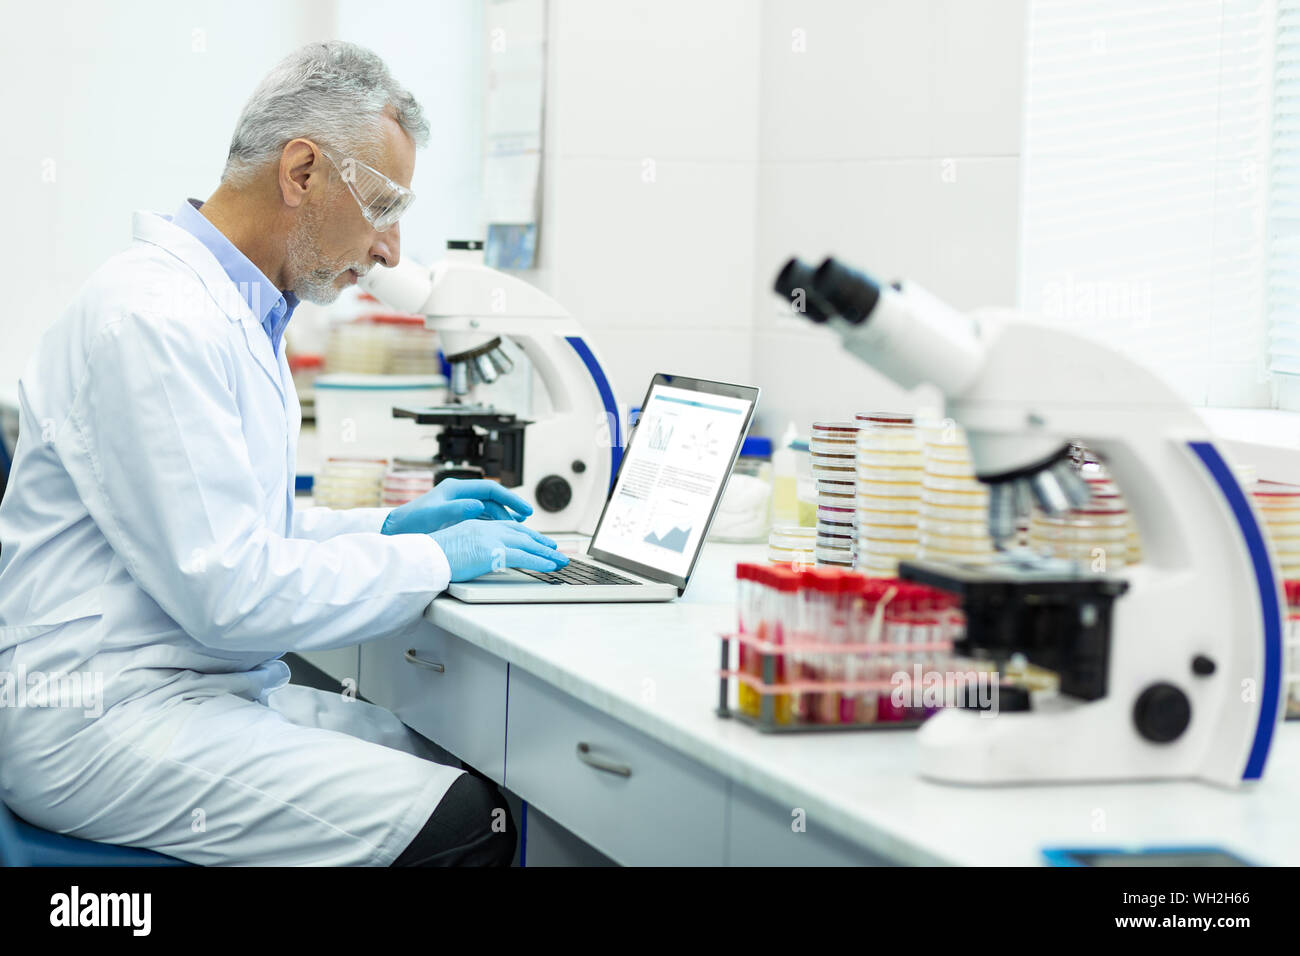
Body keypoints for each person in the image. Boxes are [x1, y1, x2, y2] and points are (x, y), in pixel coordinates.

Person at [0, 41, 569, 866]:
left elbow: (234, 534)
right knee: (463, 826)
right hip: (103, 720)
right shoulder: (156, 318)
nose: (390, 252)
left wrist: (385, 530)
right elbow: (231, 594)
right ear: (301, 172)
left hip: (181, 691)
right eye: (383, 207)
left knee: (463, 770)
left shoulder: (233, 310)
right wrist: (430, 561)